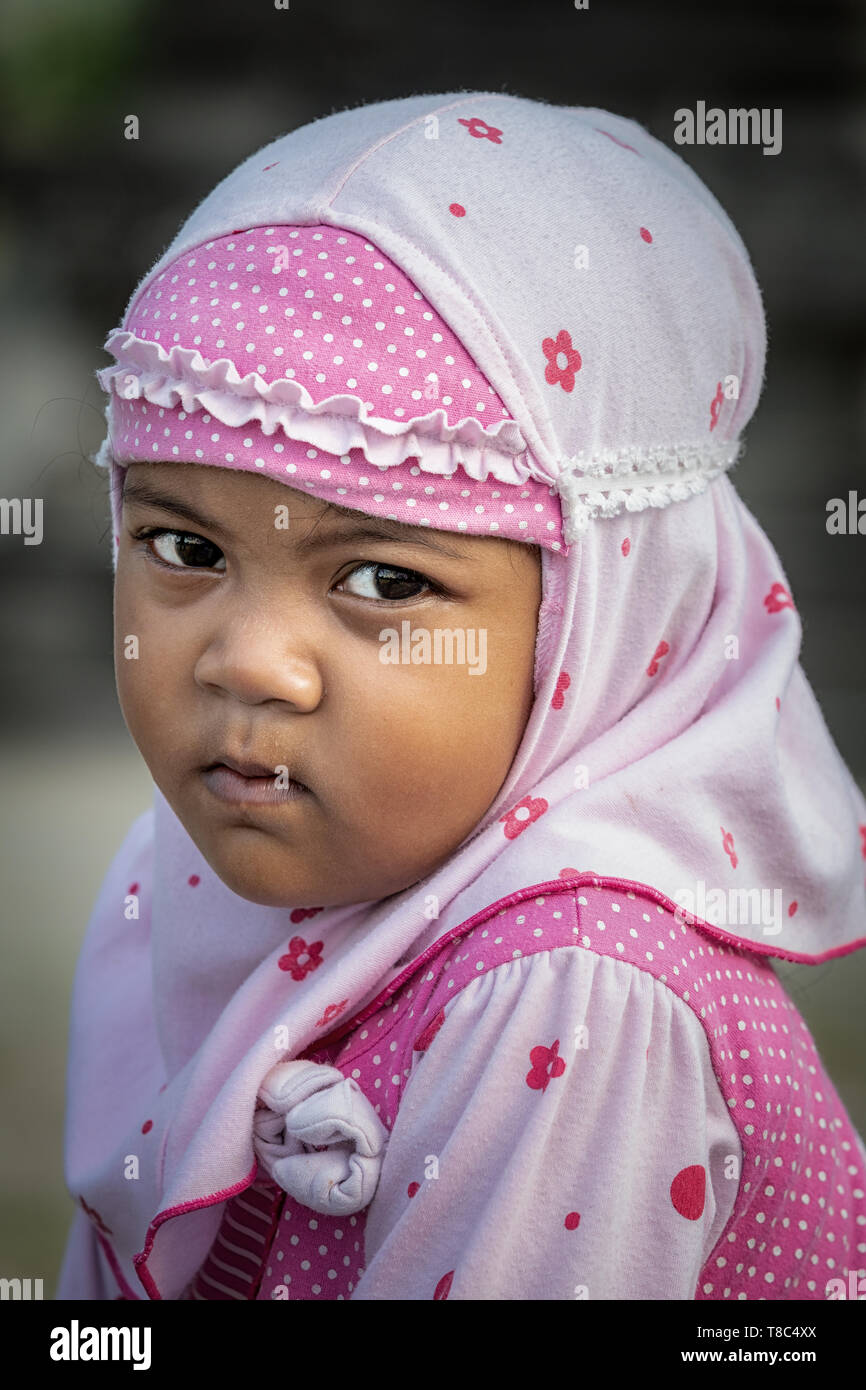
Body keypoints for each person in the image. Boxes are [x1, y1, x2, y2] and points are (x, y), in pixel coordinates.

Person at [56, 90, 866, 1302]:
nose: (246, 663)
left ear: (596, 620)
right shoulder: (178, 873)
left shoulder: (573, 990)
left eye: (382, 578)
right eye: (184, 549)